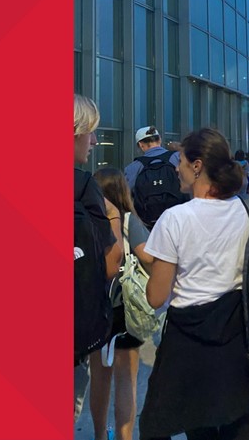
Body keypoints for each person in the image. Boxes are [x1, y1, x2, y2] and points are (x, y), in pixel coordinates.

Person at [136, 128, 249, 440]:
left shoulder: (174, 219)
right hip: (242, 337)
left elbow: (156, 297)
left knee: (196, 429)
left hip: (190, 343)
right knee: (239, 427)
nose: (176, 167)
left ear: (197, 166)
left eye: (181, 161)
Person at [89, 168, 151, 440]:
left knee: (99, 378)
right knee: (126, 378)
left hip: (94, 307)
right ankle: (125, 437)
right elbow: (149, 258)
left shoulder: (87, 220)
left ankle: (100, 435)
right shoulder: (128, 221)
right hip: (125, 310)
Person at [75, 95, 123, 424]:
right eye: (90, 132)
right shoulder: (82, 185)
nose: (94, 140)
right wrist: (115, 218)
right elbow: (109, 265)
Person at [125, 126, 186, 228]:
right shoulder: (178, 157)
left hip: (148, 226)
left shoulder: (133, 168)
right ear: (160, 140)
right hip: (179, 222)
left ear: (140, 145)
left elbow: (126, 196)